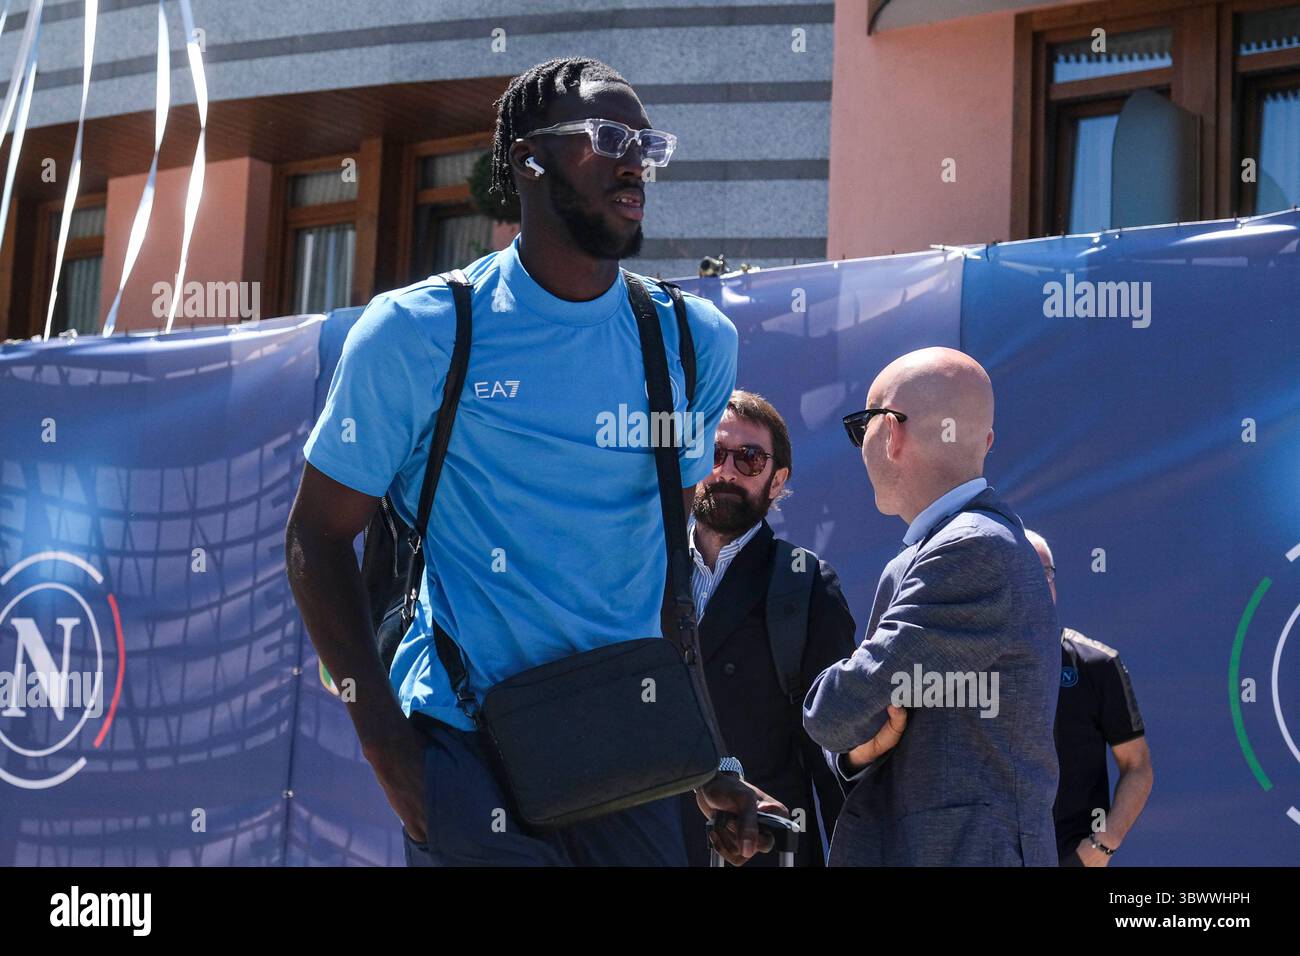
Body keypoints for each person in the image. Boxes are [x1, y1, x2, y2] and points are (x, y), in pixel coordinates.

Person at [285, 57, 778, 866]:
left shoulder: (692, 340)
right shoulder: (420, 331)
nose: (635, 161)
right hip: (466, 752)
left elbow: (663, 581)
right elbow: (315, 539)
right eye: (607, 137)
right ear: (528, 159)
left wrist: (704, 760)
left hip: (630, 757)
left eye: (646, 144)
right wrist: (390, 755)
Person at [803, 346, 1060, 866]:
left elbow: (834, 713)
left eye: (862, 427)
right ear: (985, 442)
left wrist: (848, 725)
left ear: (892, 432)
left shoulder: (970, 549)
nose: (861, 447)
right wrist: (860, 749)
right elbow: (861, 724)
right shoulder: (965, 544)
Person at [677, 390, 858, 866]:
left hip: (762, 849)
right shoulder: (642, 570)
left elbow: (834, 752)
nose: (727, 471)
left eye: (750, 459)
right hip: (644, 844)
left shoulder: (806, 583)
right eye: (714, 454)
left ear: (777, 481)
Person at [1024, 529, 1153, 867]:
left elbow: (1137, 766)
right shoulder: (971, 663)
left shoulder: (1097, 664)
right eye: (1025, 572)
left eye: (1046, 574)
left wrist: (1103, 844)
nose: (1038, 583)